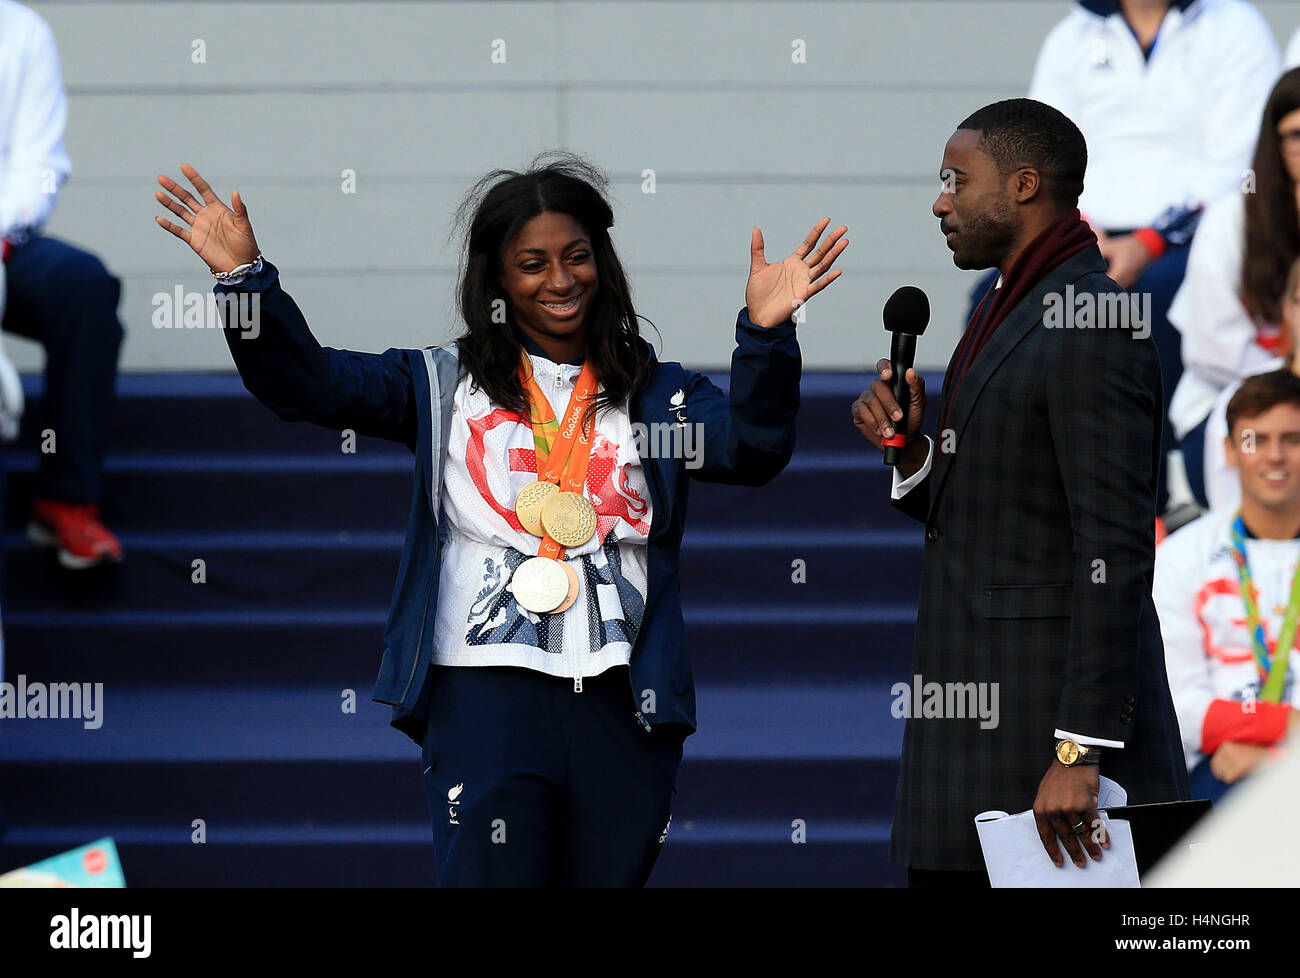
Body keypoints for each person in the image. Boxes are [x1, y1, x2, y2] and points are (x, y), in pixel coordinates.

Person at [153, 154, 847, 887]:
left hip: (625, 699)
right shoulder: (440, 385)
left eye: (577, 256)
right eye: (532, 263)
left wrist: (767, 334)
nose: (559, 279)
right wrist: (244, 283)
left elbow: (752, 448)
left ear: (602, 265)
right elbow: (308, 384)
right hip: (485, 692)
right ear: (498, 280)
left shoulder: (658, 398)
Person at [852, 98, 1188, 886]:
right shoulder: (1010, 306)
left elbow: (1113, 548)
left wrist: (1080, 749)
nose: (941, 200)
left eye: (956, 180)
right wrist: (910, 452)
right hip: (977, 734)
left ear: (1025, 185)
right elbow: (998, 512)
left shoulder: (1092, 318)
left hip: (1048, 750)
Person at [1022, 0, 1280, 515]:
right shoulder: (1071, 37)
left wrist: (1151, 241)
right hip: (1085, 234)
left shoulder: (1236, 27)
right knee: (996, 300)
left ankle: (1159, 500)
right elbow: (1038, 147)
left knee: (1155, 302)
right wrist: (1077, 233)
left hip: (1197, 238)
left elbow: (1241, 159)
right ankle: (1031, 498)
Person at [0, 0, 125, 568]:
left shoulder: (22, 31)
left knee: (84, 287)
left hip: (2, 241)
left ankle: (67, 500)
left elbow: (38, 167)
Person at [1154, 371, 1300, 804]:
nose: (1274, 455)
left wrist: (1277, 756)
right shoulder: (1181, 556)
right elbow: (1174, 706)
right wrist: (1284, 725)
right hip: (1219, 772)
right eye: (1256, 440)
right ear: (1231, 451)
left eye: (1292, 439)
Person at [1170, 69, 1300, 508]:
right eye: (1297, 134)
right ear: (1274, 143)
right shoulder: (1232, 218)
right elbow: (1212, 350)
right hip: (1229, 407)